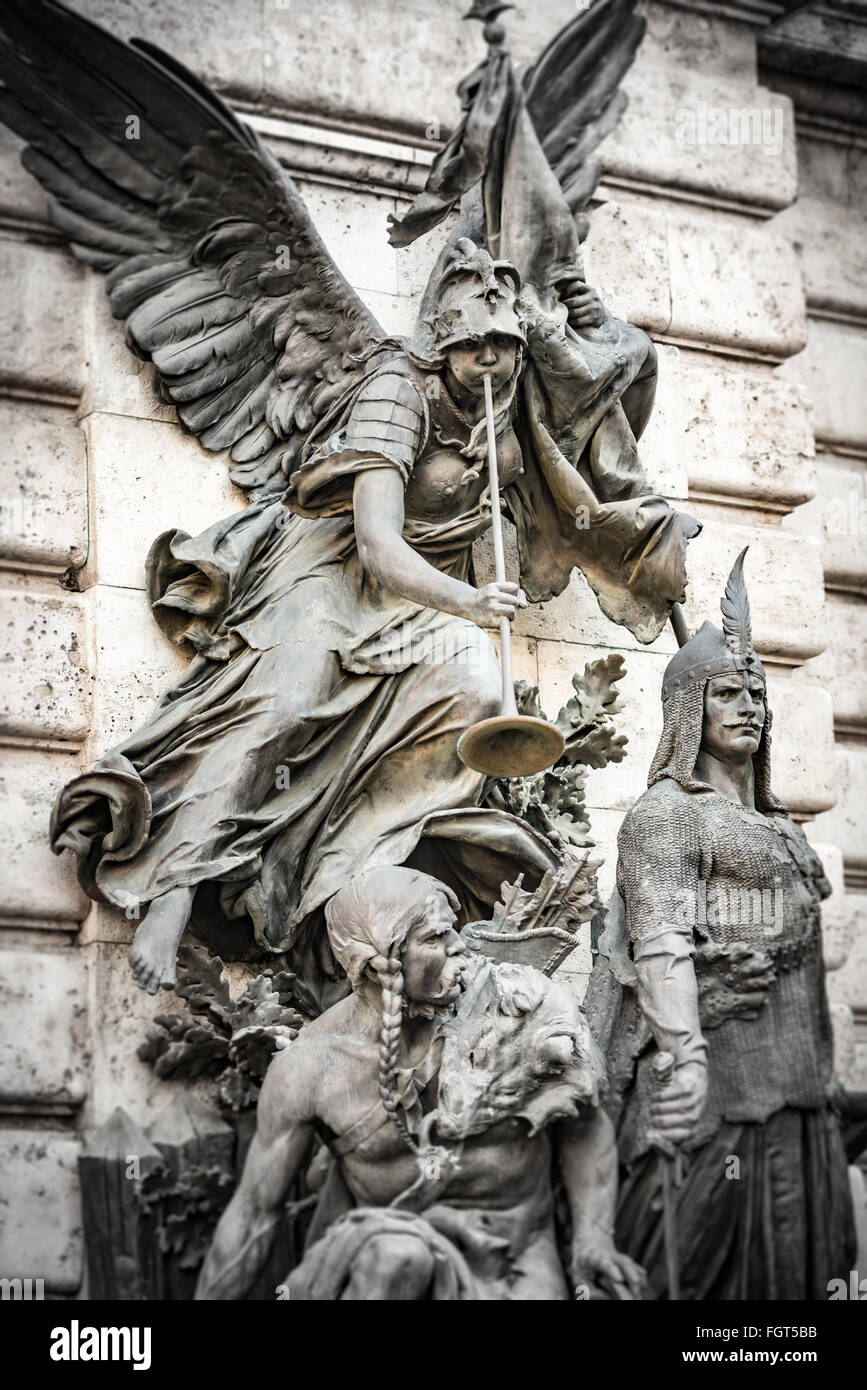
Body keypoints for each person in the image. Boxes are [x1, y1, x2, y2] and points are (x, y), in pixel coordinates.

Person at [52, 240, 697, 1007]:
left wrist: (608, 332)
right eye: (472, 346)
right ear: (442, 344)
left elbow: (602, 409)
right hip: (331, 575)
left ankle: (355, 870)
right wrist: (465, 602)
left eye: (502, 344)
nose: (489, 359)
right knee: (286, 704)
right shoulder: (395, 388)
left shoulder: (512, 393)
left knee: (475, 684)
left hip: (424, 601)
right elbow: (377, 542)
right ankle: (173, 887)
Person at [195, 865, 646, 1301]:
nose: (460, 947)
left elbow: (584, 1128)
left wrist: (593, 1240)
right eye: (434, 938)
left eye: (453, 929)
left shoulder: (521, 1010)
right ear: (377, 969)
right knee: (396, 1257)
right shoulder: (312, 1067)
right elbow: (254, 1213)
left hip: (512, 1253)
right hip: (386, 1250)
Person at [594, 551, 855, 1300]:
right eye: (727, 695)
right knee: (697, 1285)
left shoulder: (780, 828)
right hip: (716, 1100)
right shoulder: (665, 816)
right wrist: (684, 1056)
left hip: (800, 1103)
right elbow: (662, 946)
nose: (748, 707)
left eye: (755, 694)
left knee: (794, 1298)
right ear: (688, 712)